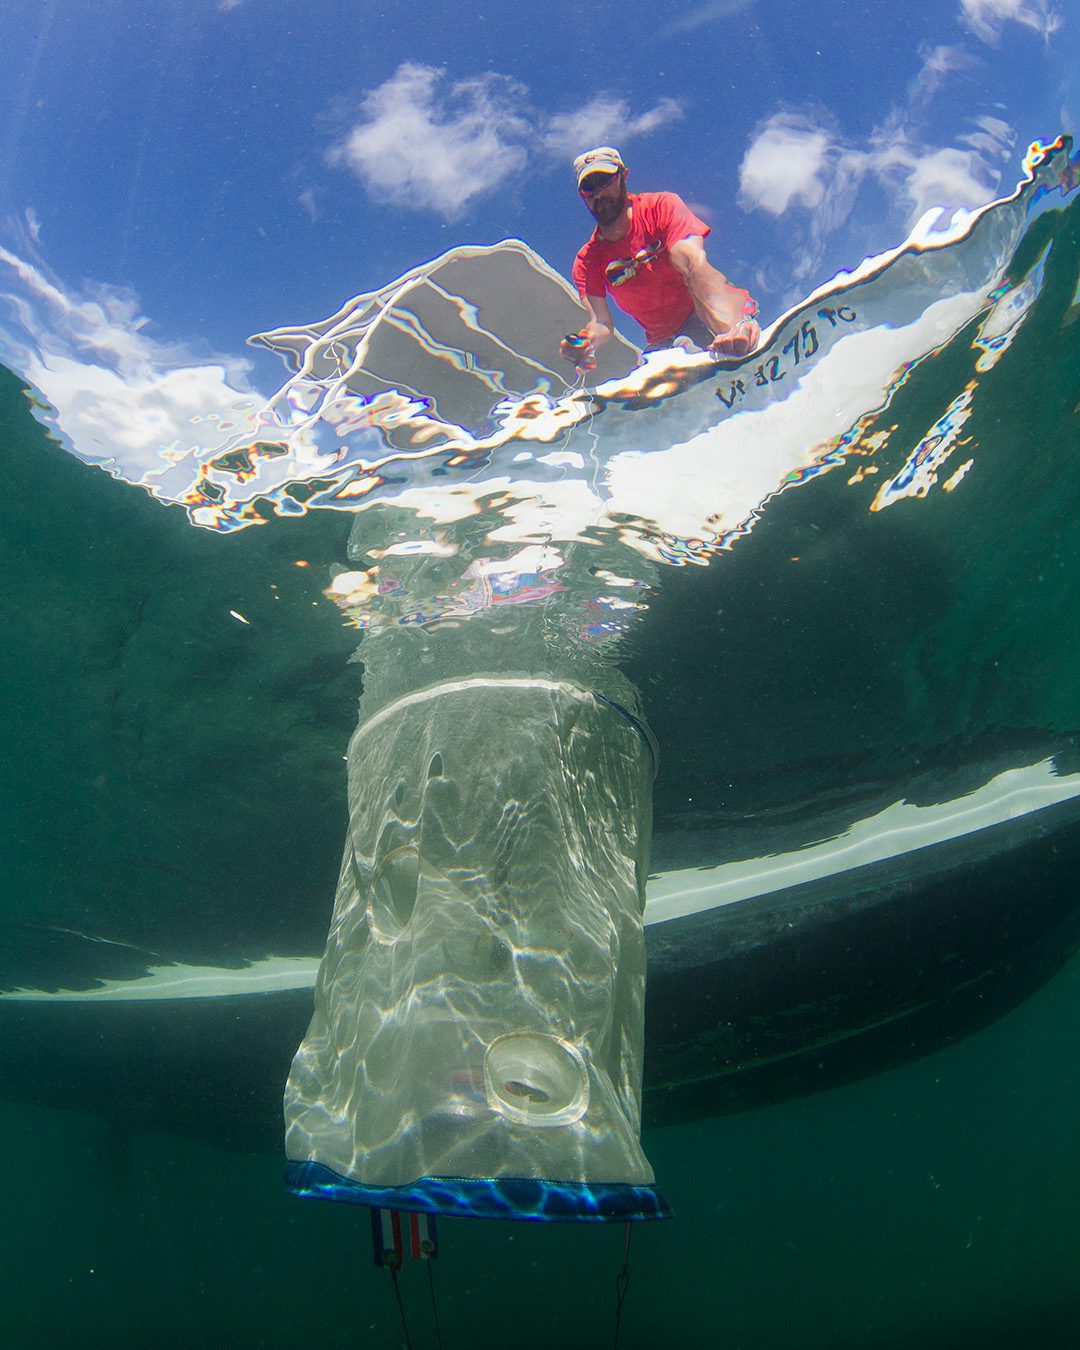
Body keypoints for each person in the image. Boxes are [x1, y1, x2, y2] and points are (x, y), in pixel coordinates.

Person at [561, 146, 760, 369]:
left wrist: (730, 327)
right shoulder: (587, 261)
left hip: (707, 317)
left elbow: (693, 262)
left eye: (604, 181)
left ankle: (737, 330)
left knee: (686, 265)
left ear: (623, 177)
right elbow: (600, 322)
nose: (598, 194)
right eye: (589, 188)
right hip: (664, 342)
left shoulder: (660, 207)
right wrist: (586, 342)